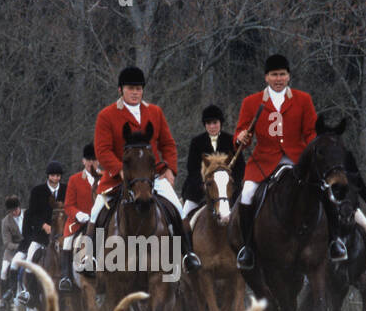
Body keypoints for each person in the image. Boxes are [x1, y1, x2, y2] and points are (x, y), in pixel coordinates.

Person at [232, 54, 366, 273]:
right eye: (274, 75)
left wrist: (315, 149)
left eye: (282, 74)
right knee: (246, 194)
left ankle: (335, 241)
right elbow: (240, 132)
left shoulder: (303, 99)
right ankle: (247, 248)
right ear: (266, 77)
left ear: (289, 76)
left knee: (325, 191)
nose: (279, 78)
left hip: (297, 158)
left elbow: (312, 131)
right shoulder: (252, 102)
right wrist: (241, 138)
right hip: (263, 160)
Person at [89, 66, 200, 273]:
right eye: (131, 88)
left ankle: (187, 254)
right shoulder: (107, 115)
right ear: (120, 90)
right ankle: (89, 259)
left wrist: (170, 170)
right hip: (117, 178)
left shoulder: (154, 112)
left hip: (152, 176)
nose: (135, 92)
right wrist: (119, 170)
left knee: (177, 209)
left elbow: (168, 144)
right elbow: (102, 149)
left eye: (139, 88)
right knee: (96, 213)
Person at [15, 161, 66, 306]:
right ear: (48, 176)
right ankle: (28, 292)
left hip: (61, 235)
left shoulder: (66, 190)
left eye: (57, 176)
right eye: (53, 175)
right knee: (30, 256)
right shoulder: (37, 191)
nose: (55, 178)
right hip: (41, 236)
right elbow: (31, 214)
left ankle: (69, 282)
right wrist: (43, 225)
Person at [180, 104, 243, 218]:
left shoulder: (231, 140)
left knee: (245, 213)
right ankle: (183, 234)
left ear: (220, 123)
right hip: (199, 188)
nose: (212, 126)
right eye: (208, 123)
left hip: (228, 188)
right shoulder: (196, 142)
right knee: (184, 214)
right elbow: (192, 168)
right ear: (205, 125)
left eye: (215, 123)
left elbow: (240, 168)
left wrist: (232, 184)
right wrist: (204, 184)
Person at [59, 144, 99, 293]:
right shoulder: (74, 180)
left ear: (98, 161)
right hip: (78, 222)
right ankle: (66, 277)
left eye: (94, 160)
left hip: (99, 221)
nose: (91, 163)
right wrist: (80, 214)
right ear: (83, 161)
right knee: (67, 242)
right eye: (88, 160)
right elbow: (68, 205)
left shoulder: (104, 178)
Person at [0, 195, 23, 301]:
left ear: (19, 207)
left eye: (16, 209)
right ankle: (4, 299)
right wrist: (19, 246)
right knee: (4, 271)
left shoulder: (28, 214)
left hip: (30, 246)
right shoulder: (5, 222)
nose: (14, 213)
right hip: (12, 251)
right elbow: (7, 243)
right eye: (11, 211)